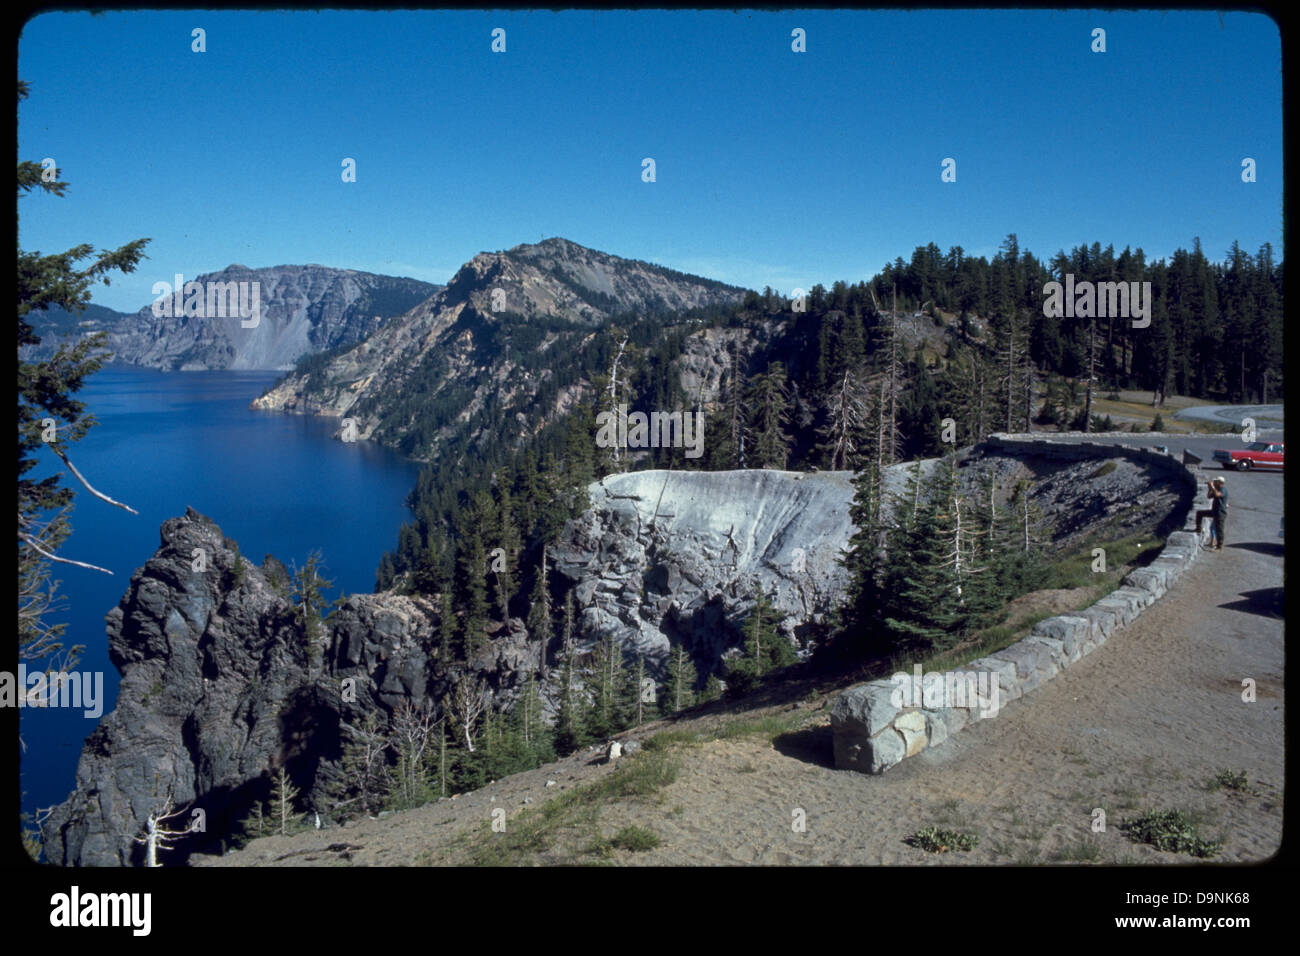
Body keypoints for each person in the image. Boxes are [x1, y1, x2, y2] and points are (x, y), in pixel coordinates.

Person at [1208, 476, 1228, 551]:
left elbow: (1217, 495)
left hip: (1220, 513)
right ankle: (1214, 543)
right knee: (1213, 527)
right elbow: (1209, 496)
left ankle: (1219, 546)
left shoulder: (1223, 489)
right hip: (1215, 512)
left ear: (1220, 483)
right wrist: (1210, 488)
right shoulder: (1217, 489)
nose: (1215, 482)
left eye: (1216, 481)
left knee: (1219, 529)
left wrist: (1212, 487)